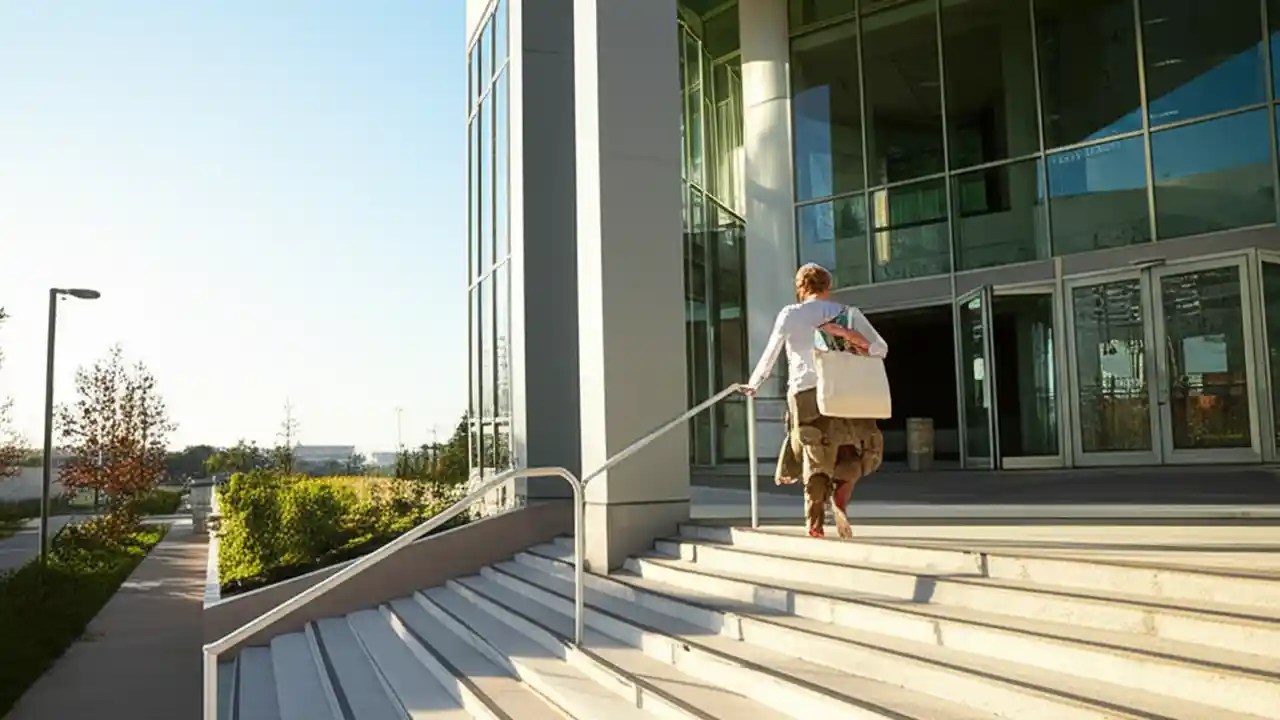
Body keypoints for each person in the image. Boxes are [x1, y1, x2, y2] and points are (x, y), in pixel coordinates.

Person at [742, 263, 888, 539]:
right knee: (848, 450)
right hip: (845, 391)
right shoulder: (848, 314)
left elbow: (770, 354)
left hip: (805, 392)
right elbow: (880, 349)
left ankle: (815, 523)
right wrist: (845, 335)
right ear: (828, 287)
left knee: (815, 455)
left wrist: (754, 384)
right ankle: (841, 496)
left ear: (800, 288)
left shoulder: (790, 314)